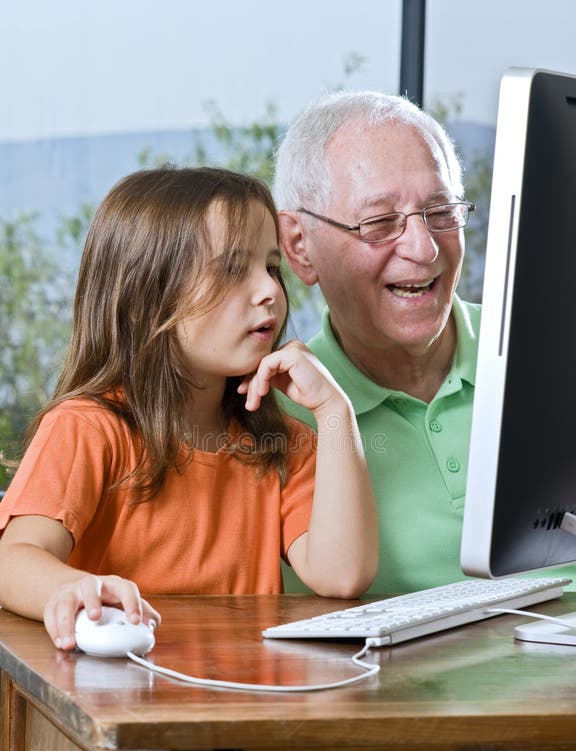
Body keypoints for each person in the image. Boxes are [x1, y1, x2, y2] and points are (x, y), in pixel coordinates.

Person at [0, 166, 378, 650]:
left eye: (271, 268)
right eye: (232, 270)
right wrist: (72, 590)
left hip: (244, 690)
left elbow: (343, 575)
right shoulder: (86, 429)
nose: (269, 291)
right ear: (146, 301)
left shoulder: (281, 444)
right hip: (119, 689)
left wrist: (335, 410)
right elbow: (13, 560)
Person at [273, 90, 481, 595]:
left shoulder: (551, 353)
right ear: (299, 246)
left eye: (441, 211)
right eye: (380, 223)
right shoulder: (266, 417)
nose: (424, 248)